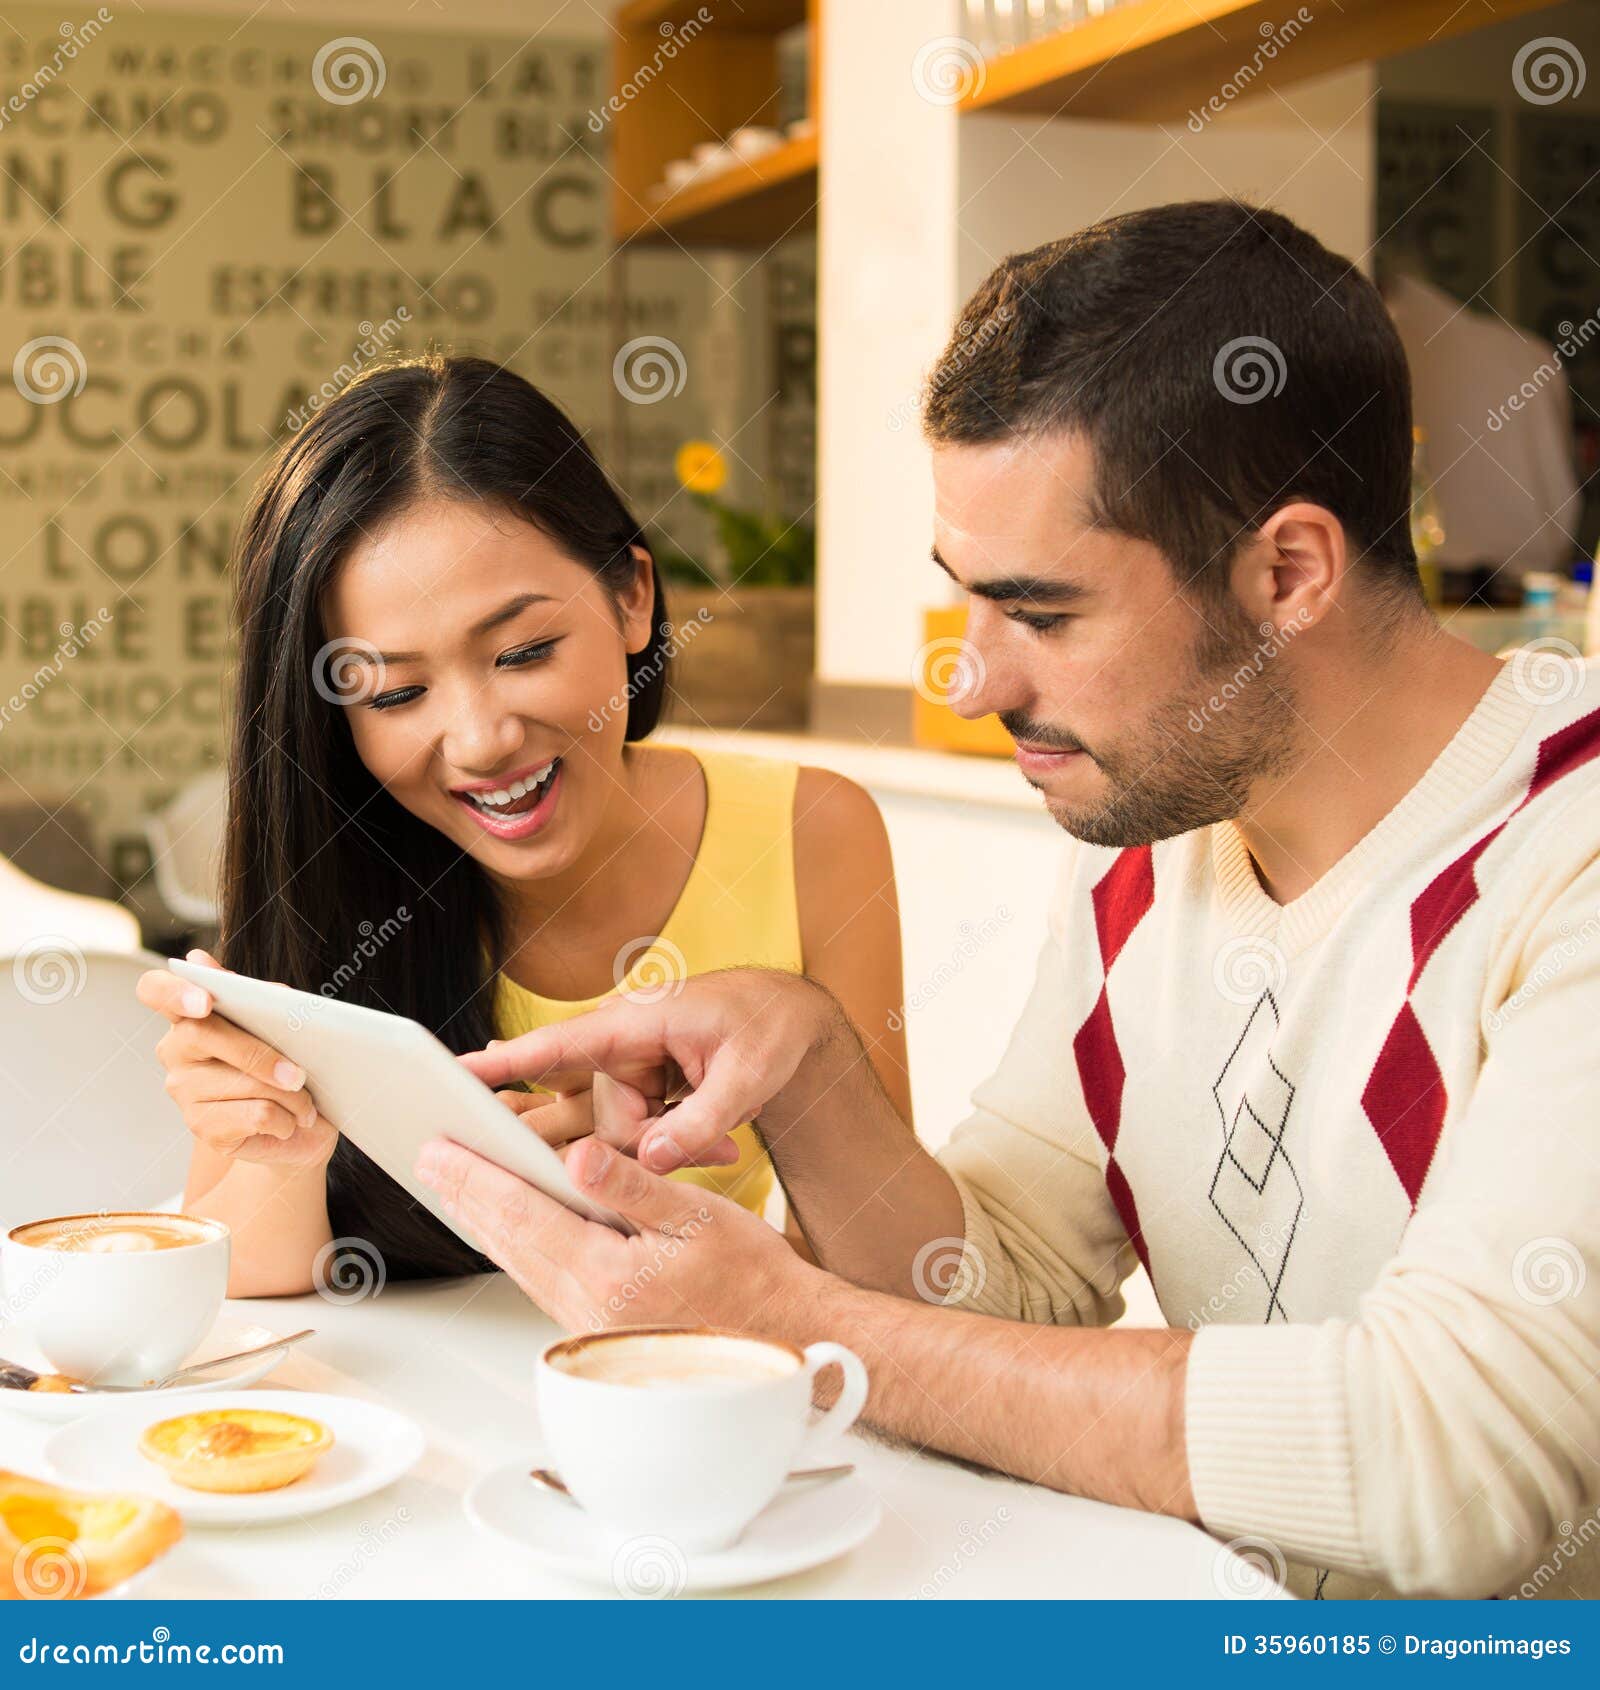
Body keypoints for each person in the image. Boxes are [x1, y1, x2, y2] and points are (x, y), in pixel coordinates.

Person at [418, 203, 1600, 1602]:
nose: (971, 679)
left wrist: (789, 1322)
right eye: (965, 601)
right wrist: (810, 1068)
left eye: (1039, 613)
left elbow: (1453, 1459)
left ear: (1288, 573)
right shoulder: (1149, 831)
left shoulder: (1564, 850)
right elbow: (1016, 1275)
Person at [136, 355, 909, 1294]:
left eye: (525, 651)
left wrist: (635, 1205)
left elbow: (891, 1279)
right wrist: (276, 1141)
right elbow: (245, 1281)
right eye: (396, 694)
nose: (481, 740)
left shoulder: (812, 831)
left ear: (632, 598)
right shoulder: (330, 869)